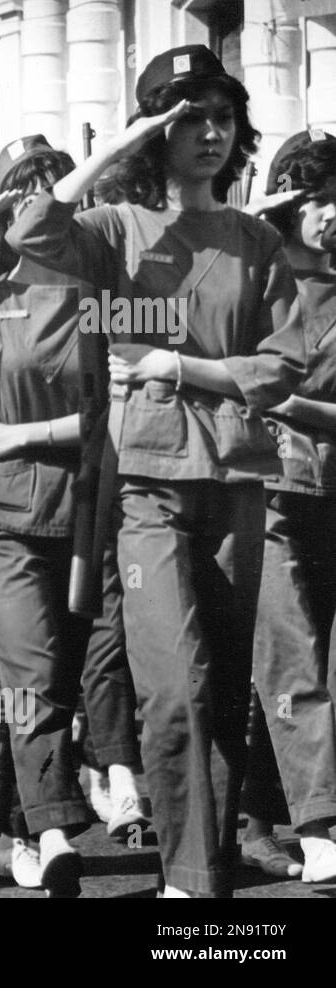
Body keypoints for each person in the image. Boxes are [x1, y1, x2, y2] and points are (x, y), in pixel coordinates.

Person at [7, 45, 306, 898]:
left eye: (222, 117)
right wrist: (123, 139)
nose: (210, 134)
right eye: (188, 119)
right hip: (145, 484)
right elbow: (30, 230)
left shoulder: (256, 240)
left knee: (223, 689)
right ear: (155, 134)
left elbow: (283, 364)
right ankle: (187, 873)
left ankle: (198, 875)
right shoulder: (111, 232)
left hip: (239, 481)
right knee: (174, 687)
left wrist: (184, 369)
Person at [0, 135, 143, 895]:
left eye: (56, 193)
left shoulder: (105, 299)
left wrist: (24, 433)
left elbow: (114, 412)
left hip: (91, 518)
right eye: (25, 196)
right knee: (28, 675)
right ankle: (56, 830)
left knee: (62, 684)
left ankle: (23, 826)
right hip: (1, 520)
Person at [249, 129, 336, 883]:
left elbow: (256, 382)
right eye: (312, 197)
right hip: (263, 491)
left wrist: (282, 395)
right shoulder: (255, 280)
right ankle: (317, 824)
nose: (329, 212)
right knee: (288, 654)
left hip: (328, 492)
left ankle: (264, 813)